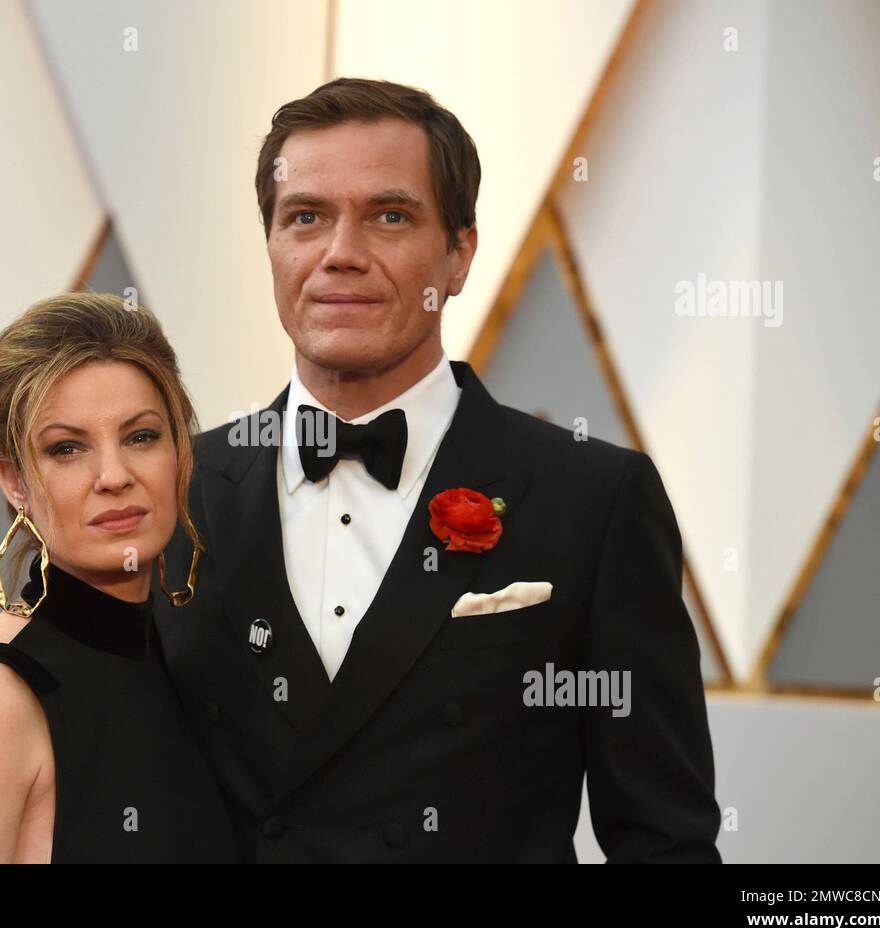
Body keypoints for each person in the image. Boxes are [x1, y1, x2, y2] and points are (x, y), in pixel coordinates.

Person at [151, 78, 722, 862]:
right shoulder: (170, 490)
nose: (339, 254)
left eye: (389, 216)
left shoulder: (595, 502)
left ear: (459, 254)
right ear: (273, 249)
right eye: (306, 217)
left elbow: (665, 841)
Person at [0, 292, 238, 862]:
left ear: (182, 453)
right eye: (66, 448)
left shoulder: (175, 657)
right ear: (14, 481)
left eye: (141, 436)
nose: (114, 476)